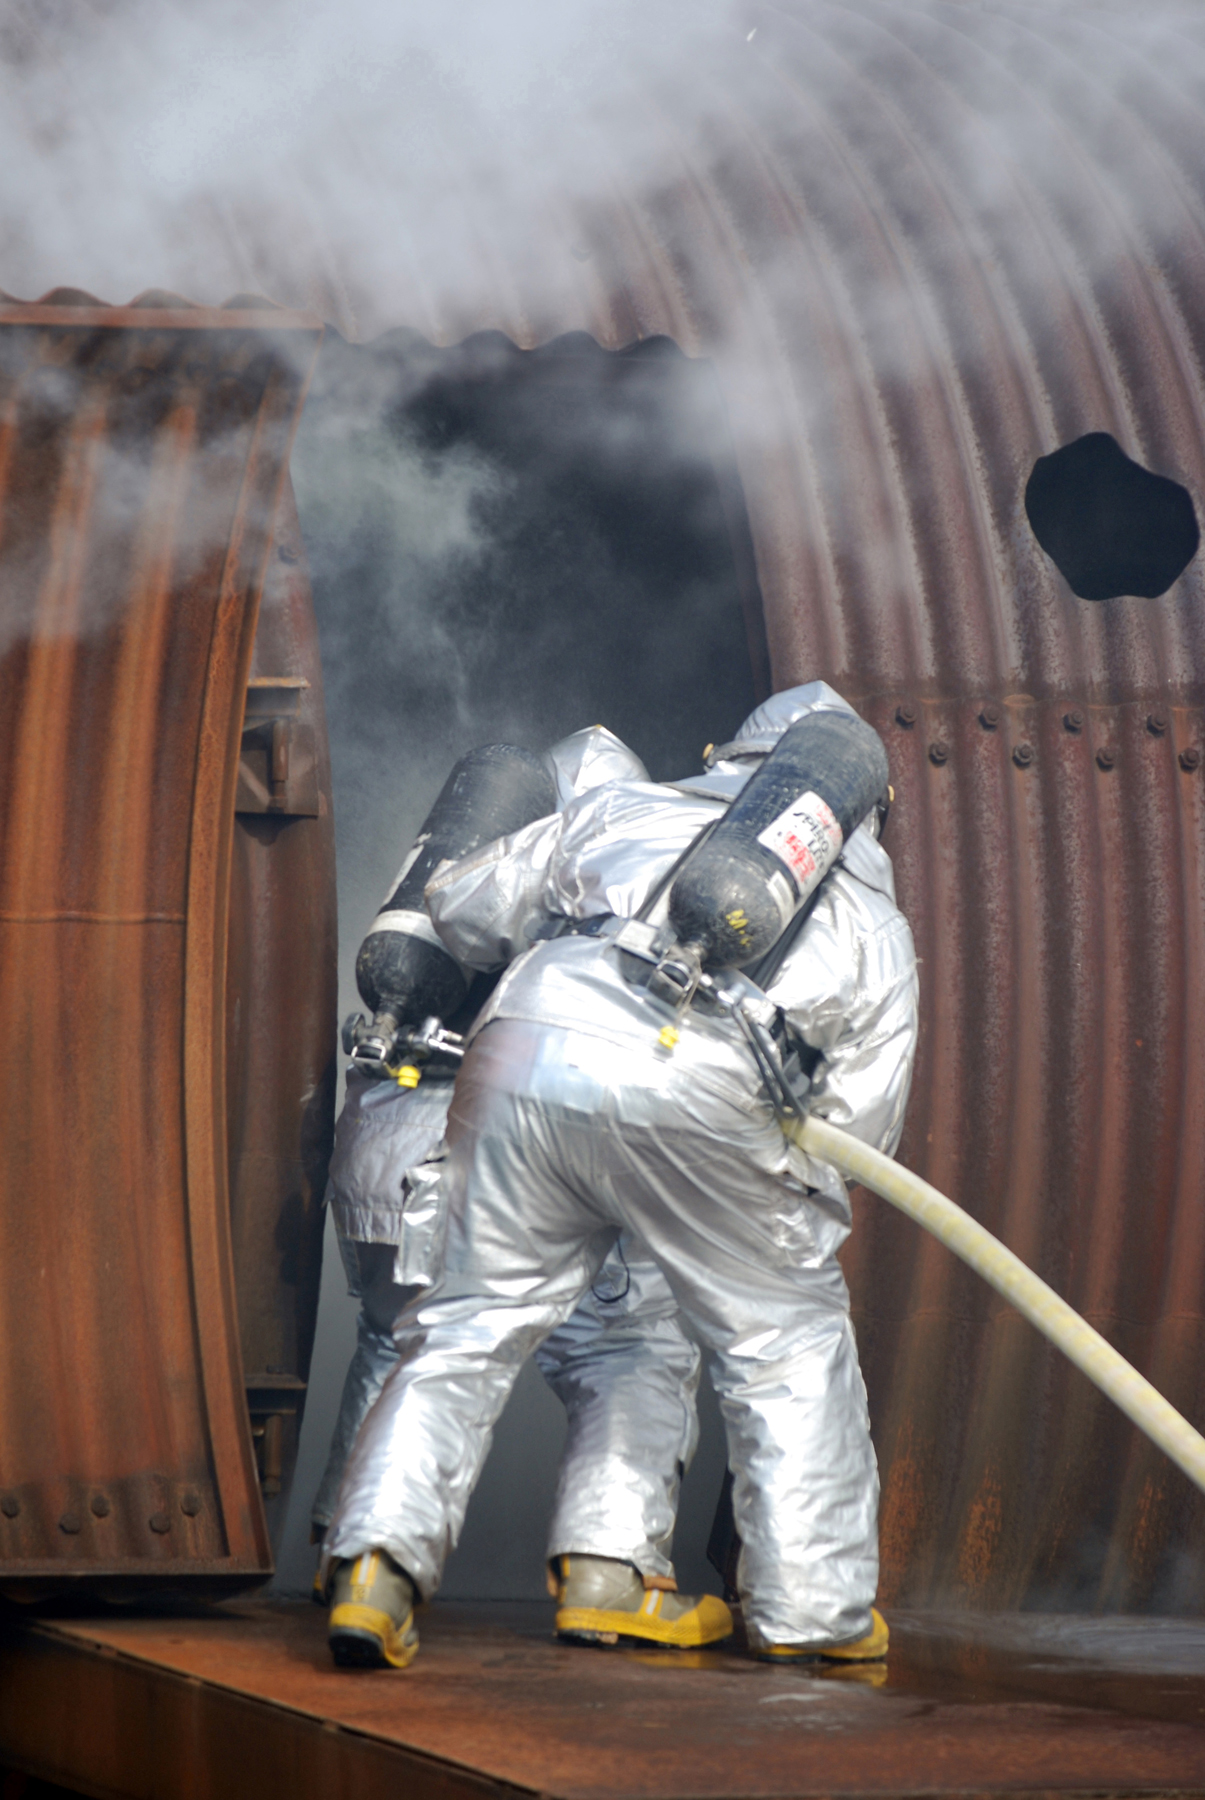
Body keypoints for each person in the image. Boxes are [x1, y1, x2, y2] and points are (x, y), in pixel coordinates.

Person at [324, 683, 918, 1670]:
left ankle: (372, 1569)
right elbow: (859, 1128)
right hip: (711, 1089)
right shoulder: (871, 920)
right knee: (781, 1342)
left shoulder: (622, 807)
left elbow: (467, 906)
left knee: (462, 1324)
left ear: (729, 755)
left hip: (525, 1050)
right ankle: (805, 1611)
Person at [313, 727, 727, 1656]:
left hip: (382, 1163)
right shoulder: (624, 877)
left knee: (403, 1342)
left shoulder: (454, 875)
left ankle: (353, 1565)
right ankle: (609, 1576)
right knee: (630, 1351)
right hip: (513, 1161)